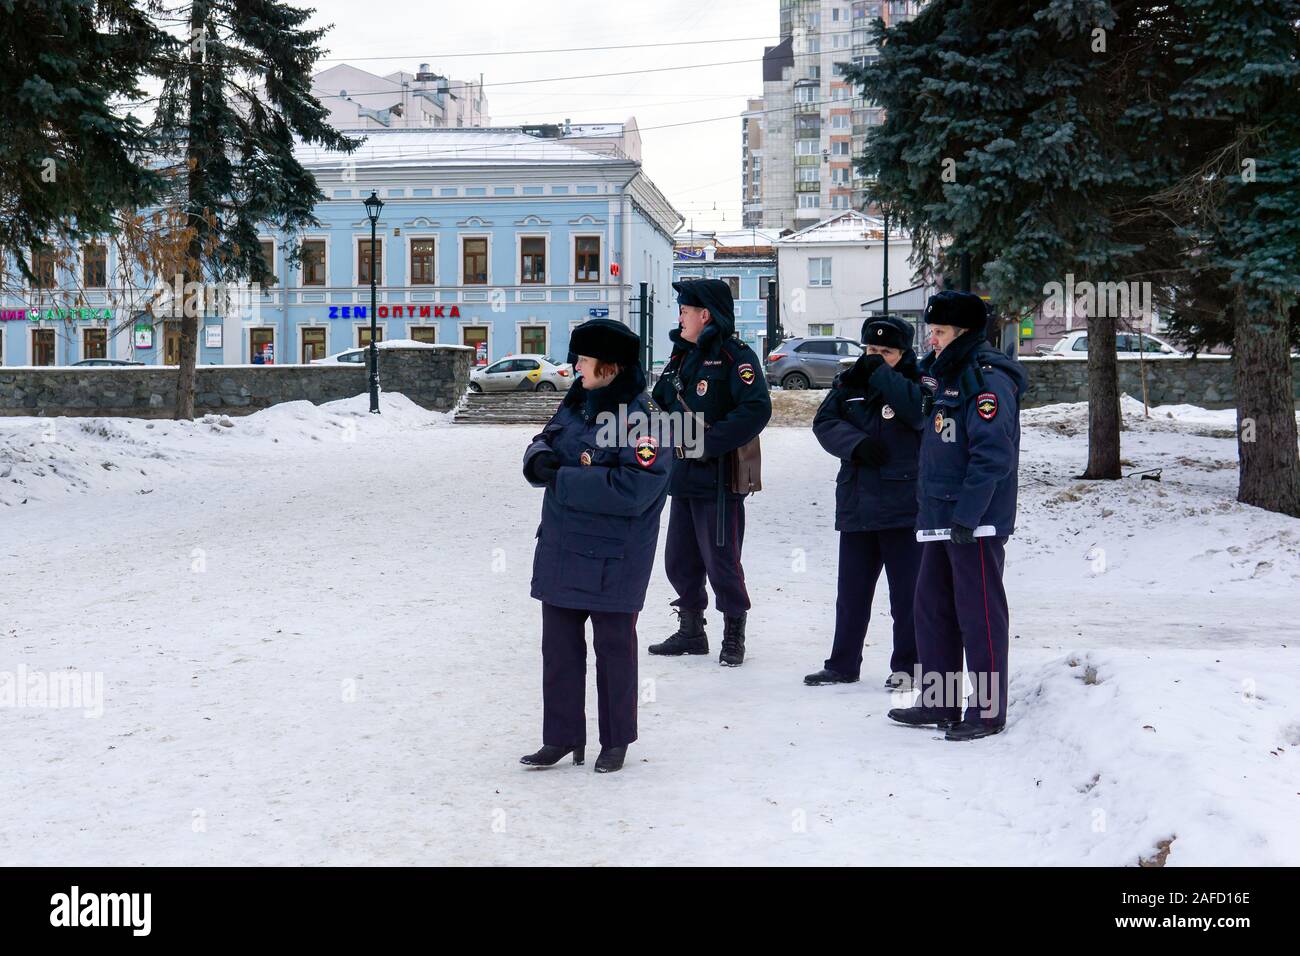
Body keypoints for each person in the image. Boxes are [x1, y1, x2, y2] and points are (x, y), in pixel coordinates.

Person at [520, 319, 670, 773]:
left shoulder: (645, 418)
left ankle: (616, 739)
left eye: (582, 361)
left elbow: (636, 488)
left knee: (614, 649)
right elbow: (545, 437)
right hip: (563, 545)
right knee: (559, 649)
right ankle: (561, 737)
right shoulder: (578, 402)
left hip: (614, 554)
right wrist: (538, 457)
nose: (574, 368)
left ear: (610, 366)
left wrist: (562, 478)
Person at [887, 291, 1026, 741]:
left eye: (941, 331)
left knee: (979, 614)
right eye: (931, 329)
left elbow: (992, 455)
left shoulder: (986, 380)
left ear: (963, 332)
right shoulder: (943, 373)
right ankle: (939, 701)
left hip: (974, 521)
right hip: (938, 515)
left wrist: (968, 514)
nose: (932, 337)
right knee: (932, 610)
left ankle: (986, 710)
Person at [648, 278, 771, 666]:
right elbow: (663, 402)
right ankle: (691, 630)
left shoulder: (737, 357)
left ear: (706, 314)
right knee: (679, 560)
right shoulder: (683, 356)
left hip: (718, 478)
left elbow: (756, 410)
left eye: (685, 310)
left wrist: (710, 442)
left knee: (722, 560)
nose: (679, 316)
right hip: (683, 475)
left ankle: (734, 631)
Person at [805, 316, 924, 689]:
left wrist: (882, 375)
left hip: (902, 506)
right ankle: (842, 663)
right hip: (857, 501)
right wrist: (855, 444)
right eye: (870, 350)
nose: (874, 357)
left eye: (885, 352)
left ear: (903, 354)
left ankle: (908, 667)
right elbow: (824, 421)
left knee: (907, 596)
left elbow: (918, 414)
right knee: (851, 593)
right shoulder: (849, 382)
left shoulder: (917, 382)